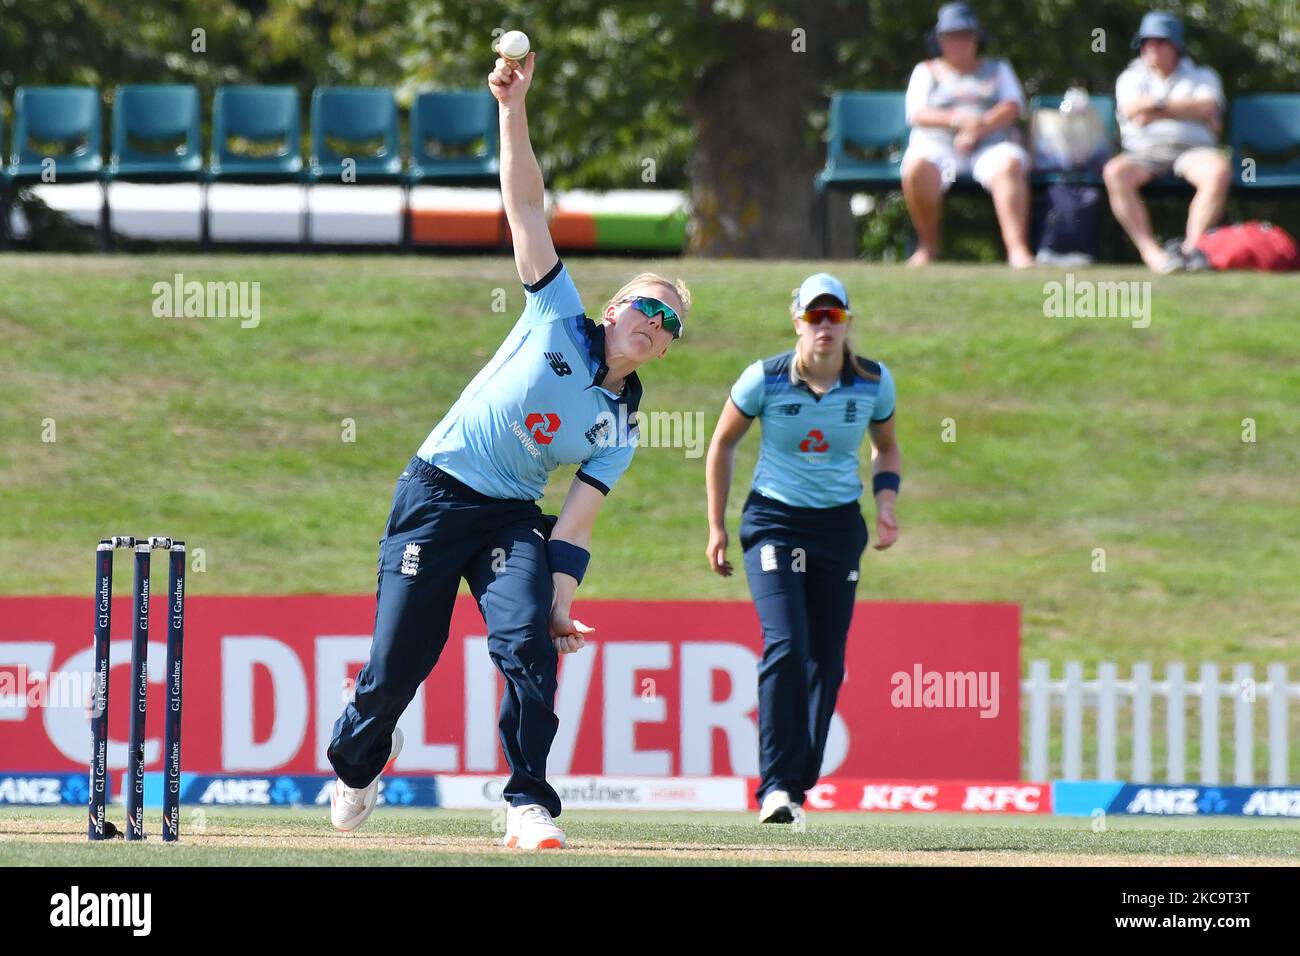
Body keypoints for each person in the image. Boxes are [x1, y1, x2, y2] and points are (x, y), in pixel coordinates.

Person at [325, 50, 689, 850]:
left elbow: (577, 524)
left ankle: (529, 802)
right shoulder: (557, 311)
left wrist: (559, 601)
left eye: (669, 326)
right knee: (395, 671)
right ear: (617, 305)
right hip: (435, 491)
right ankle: (358, 761)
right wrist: (511, 106)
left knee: (526, 644)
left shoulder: (623, 425)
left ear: (664, 352)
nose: (654, 324)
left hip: (508, 519)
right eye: (647, 307)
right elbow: (526, 203)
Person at [704, 273, 901, 825]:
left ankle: (796, 784)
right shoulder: (763, 379)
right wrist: (717, 526)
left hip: (838, 527)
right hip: (774, 522)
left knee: (828, 662)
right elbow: (723, 443)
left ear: (846, 323)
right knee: (786, 645)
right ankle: (773, 784)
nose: (823, 326)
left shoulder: (872, 382)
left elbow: (886, 448)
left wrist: (885, 504)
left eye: (833, 316)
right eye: (814, 316)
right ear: (797, 321)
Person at [902, 2, 1034, 268]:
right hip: (938, 147)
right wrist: (957, 122)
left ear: (976, 38)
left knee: (1010, 165)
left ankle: (1018, 250)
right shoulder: (925, 71)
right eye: (951, 36)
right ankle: (927, 246)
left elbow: (1012, 106)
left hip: (991, 146)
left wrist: (980, 127)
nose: (958, 42)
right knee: (916, 168)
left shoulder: (999, 69)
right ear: (940, 41)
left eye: (964, 35)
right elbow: (917, 114)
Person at [1103, 11, 1231, 273]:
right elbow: (1133, 110)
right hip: (1144, 152)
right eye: (1145, 42)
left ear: (1176, 46)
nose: (1151, 48)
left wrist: (1155, 106)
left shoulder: (1203, 75)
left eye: (1159, 42)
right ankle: (1152, 254)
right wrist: (1186, 109)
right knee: (1114, 172)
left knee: (1218, 171)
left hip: (1195, 150)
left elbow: (1208, 108)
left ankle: (1191, 250)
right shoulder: (1130, 77)